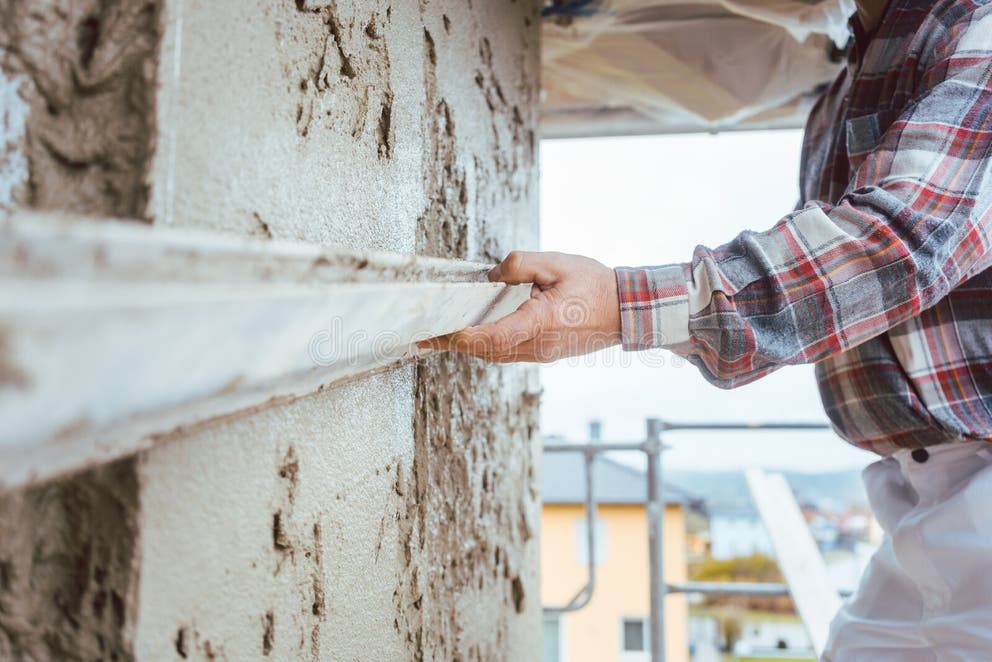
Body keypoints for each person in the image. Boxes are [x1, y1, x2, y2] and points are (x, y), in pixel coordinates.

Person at [421, 0, 992, 658]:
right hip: (918, 499)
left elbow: (901, 238)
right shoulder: (844, 91)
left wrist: (617, 306)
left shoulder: (975, 27)